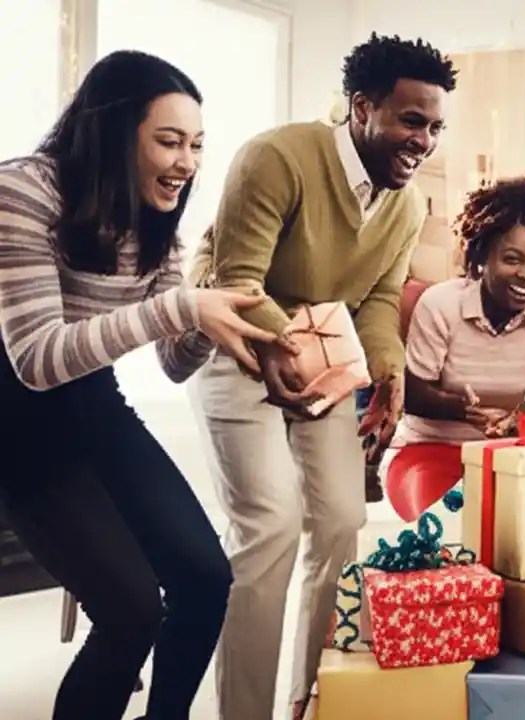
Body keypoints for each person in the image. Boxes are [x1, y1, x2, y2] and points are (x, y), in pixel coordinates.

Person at [0, 50, 278, 719]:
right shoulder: (23, 191)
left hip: (94, 407)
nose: (187, 162)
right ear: (113, 133)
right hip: (16, 419)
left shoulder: (160, 225)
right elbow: (35, 359)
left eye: (197, 145)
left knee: (208, 580)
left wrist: (214, 314)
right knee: (129, 612)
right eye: (169, 141)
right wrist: (180, 308)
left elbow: (173, 363)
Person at [190, 33, 451, 720]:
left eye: (433, 126)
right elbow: (236, 281)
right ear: (362, 108)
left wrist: (388, 372)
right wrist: (298, 341)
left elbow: (374, 301)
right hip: (238, 344)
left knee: (339, 520)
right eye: (410, 120)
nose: (423, 140)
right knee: (271, 525)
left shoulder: (408, 204)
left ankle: (309, 701)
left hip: (322, 361)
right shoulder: (277, 157)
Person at [381, 175, 525, 519]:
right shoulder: (441, 304)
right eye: (513, 259)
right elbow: (411, 394)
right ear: (483, 255)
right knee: (443, 528)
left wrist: (519, 423)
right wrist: (461, 409)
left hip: (509, 454)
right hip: (429, 449)